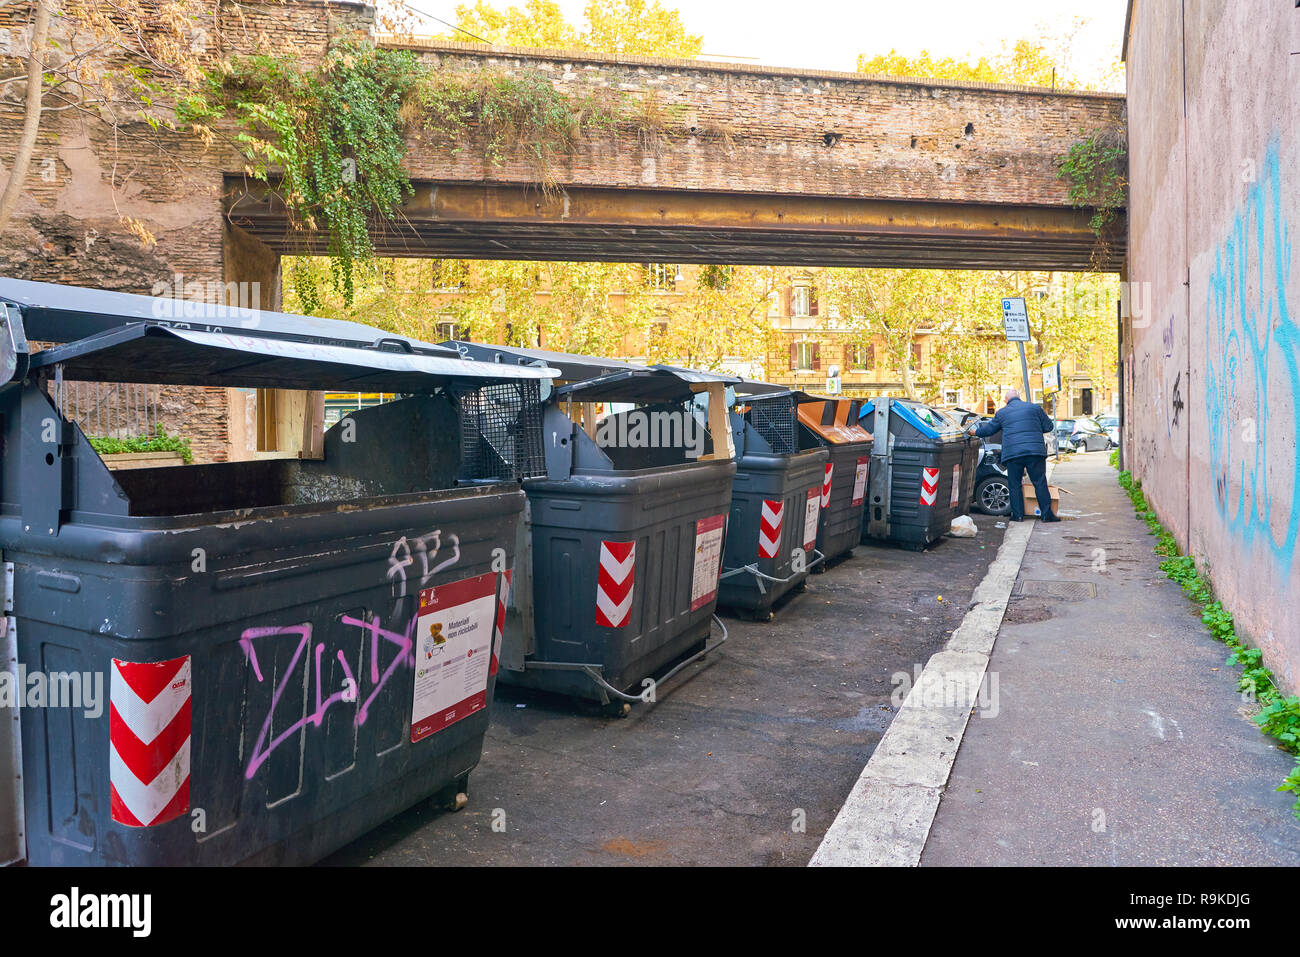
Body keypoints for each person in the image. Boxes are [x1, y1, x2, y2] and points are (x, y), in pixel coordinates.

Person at [969, 389, 1060, 523]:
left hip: (1013, 454)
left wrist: (974, 432)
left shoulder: (1002, 413)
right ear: (1019, 397)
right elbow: (1049, 426)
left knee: (1014, 484)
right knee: (1039, 482)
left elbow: (989, 430)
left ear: (1006, 400)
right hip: (1034, 452)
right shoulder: (1035, 408)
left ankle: (1017, 516)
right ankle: (1046, 515)